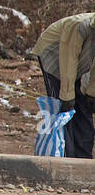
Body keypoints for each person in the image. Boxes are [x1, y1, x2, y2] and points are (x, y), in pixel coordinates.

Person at [31, 13, 95, 158]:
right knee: (63, 109)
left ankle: (83, 159)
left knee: (83, 109)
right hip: (53, 56)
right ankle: (64, 157)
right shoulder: (79, 26)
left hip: (80, 64)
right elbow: (68, 59)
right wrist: (66, 95)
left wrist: (92, 92)